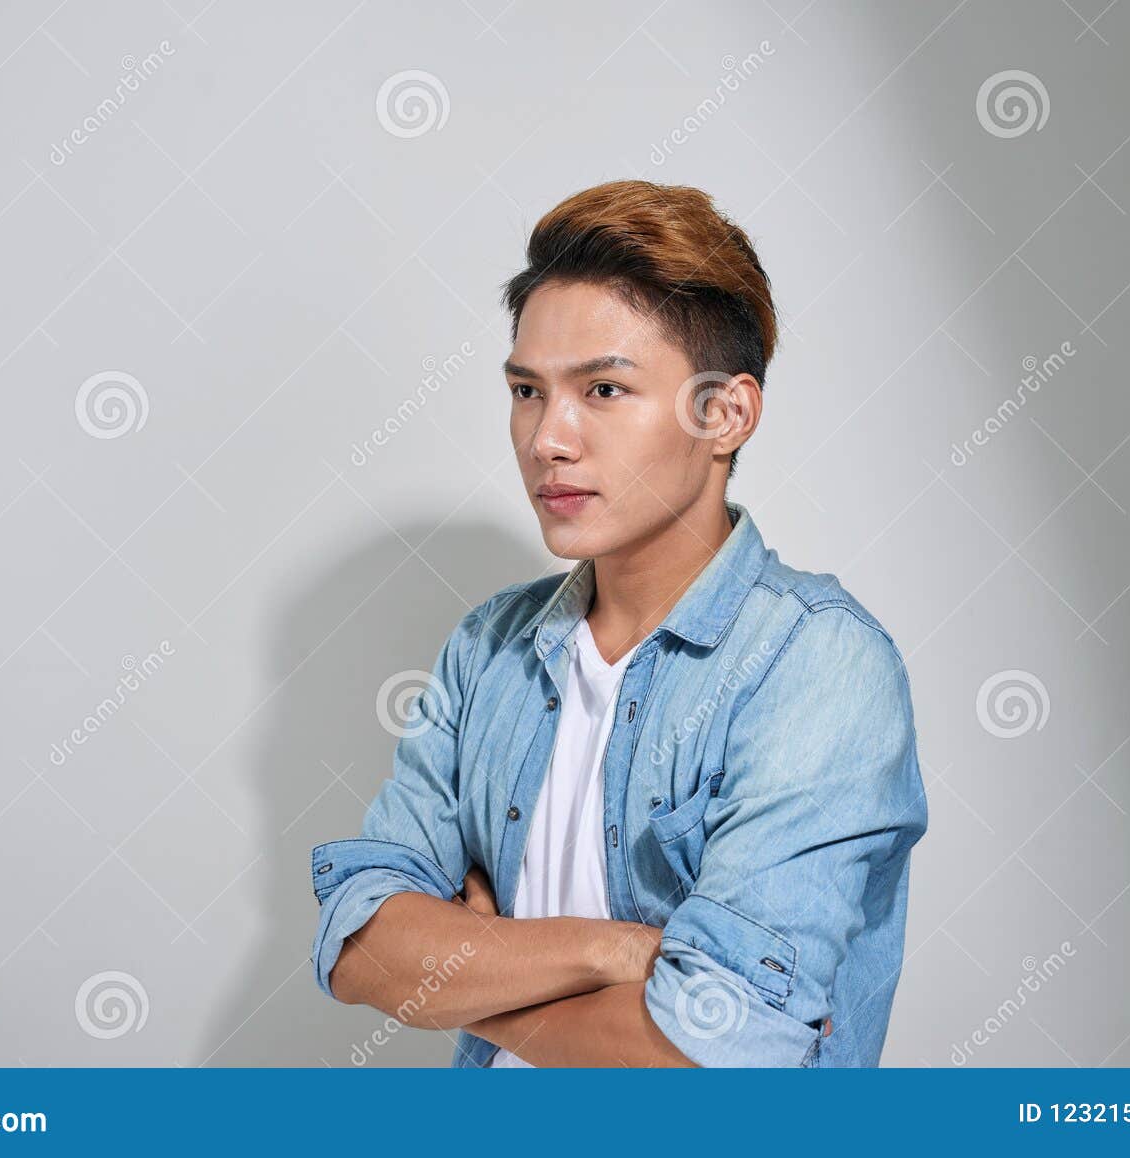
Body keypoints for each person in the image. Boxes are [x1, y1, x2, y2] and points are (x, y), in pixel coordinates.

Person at [310, 179, 928, 1067]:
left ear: (725, 413)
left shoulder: (817, 664)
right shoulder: (489, 648)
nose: (546, 439)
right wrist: (611, 951)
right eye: (527, 390)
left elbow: (710, 1053)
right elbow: (362, 946)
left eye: (602, 389)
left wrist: (474, 985)